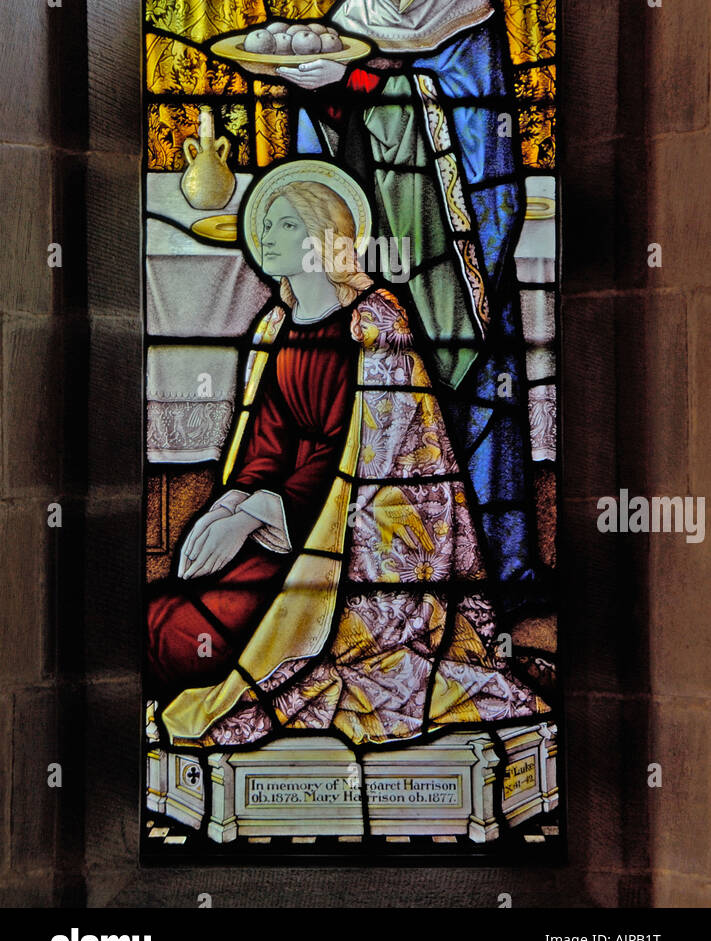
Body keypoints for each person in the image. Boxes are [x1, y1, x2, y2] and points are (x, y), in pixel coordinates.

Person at [148, 161, 546, 748]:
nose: (267, 238)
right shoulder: (275, 328)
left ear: (322, 239)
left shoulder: (376, 323)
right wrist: (226, 511)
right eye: (268, 226)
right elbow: (267, 442)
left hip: (349, 548)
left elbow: (374, 459)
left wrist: (257, 512)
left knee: (192, 638)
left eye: (284, 225)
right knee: (159, 619)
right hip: (284, 528)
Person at [275, 0, 549, 618]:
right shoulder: (349, 17)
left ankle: (487, 580)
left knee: (476, 403)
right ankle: (377, 587)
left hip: (453, 243)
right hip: (375, 243)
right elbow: (322, 152)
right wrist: (322, 94)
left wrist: (370, 80)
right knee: (384, 406)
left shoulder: (466, 13)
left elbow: (479, 132)